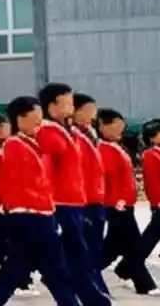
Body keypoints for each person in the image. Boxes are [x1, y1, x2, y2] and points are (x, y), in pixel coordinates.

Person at [0, 96, 79, 306]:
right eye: (36, 117)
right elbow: (25, 182)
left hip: (39, 213)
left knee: (27, 265)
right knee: (39, 266)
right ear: (20, 118)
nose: (39, 123)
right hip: (27, 215)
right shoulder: (14, 145)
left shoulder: (32, 142)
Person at [35, 83, 111, 306]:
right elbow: (45, 172)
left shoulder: (69, 131)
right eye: (66, 102)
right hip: (61, 203)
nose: (71, 106)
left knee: (71, 257)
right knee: (72, 256)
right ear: (52, 106)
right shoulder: (48, 133)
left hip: (76, 201)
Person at [98, 109, 160, 295]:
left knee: (117, 246)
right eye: (116, 124)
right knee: (132, 245)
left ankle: (137, 278)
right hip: (117, 203)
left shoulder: (116, 147)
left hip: (124, 202)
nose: (121, 128)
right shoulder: (104, 149)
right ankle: (142, 282)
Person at [72, 93, 111, 296]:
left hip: (96, 196)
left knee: (94, 246)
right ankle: (92, 288)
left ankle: (94, 285)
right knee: (85, 248)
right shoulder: (72, 135)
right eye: (88, 111)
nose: (92, 115)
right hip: (83, 198)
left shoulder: (90, 133)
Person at [139, 121, 160, 271]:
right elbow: (152, 181)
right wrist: (156, 201)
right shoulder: (150, 155)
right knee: (150, 237)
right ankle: (128, 265)